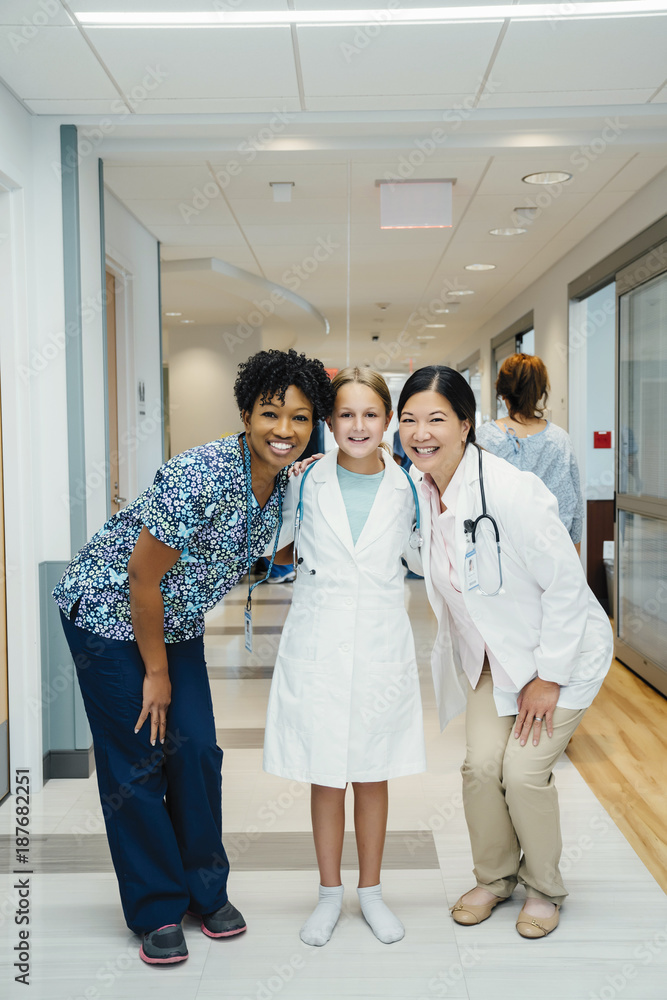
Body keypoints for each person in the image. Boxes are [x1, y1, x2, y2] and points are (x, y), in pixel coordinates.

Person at [53, 348, 334, 965]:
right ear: (245, 413)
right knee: (137, 761)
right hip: (107, 612)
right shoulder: (198, 474)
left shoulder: (283, 484)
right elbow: (140, 578)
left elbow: (265, 551)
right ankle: (156, 906)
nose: (284, 430)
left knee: (198, 748)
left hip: (171, 621)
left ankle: (205, 891)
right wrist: (155, 672)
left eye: (300, 417)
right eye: (270, 414)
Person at [398, 366, 613, 939]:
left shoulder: (512, 491)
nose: (422, 432)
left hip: (560, 656)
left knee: (521, 773)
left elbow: (567, 586)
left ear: (466, 425)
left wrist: (549, 677)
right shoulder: (419, 491)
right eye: (410, 419)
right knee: (479, 768)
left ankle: (544, 888)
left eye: (437, 419)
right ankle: (495, 879)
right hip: (493, 661)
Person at [263, 367, 426, 947]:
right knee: (326, 773)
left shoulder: (411, 487)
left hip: (382, 643)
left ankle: (373, 892)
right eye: (346, 414)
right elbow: (269, 545)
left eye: (371, 414)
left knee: (372, 771)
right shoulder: (304, 481)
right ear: (328, 422)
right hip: (318, 641)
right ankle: (329, 894)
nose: (358, 425)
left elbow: (428, 560)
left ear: (389, 422)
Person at [475, 353, 584, 550]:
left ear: (502, 392)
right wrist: (574, 560)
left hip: (500, 553)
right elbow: (573, 507)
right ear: (541, 391)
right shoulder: (559, 440)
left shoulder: (484, 439)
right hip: (552, 550)